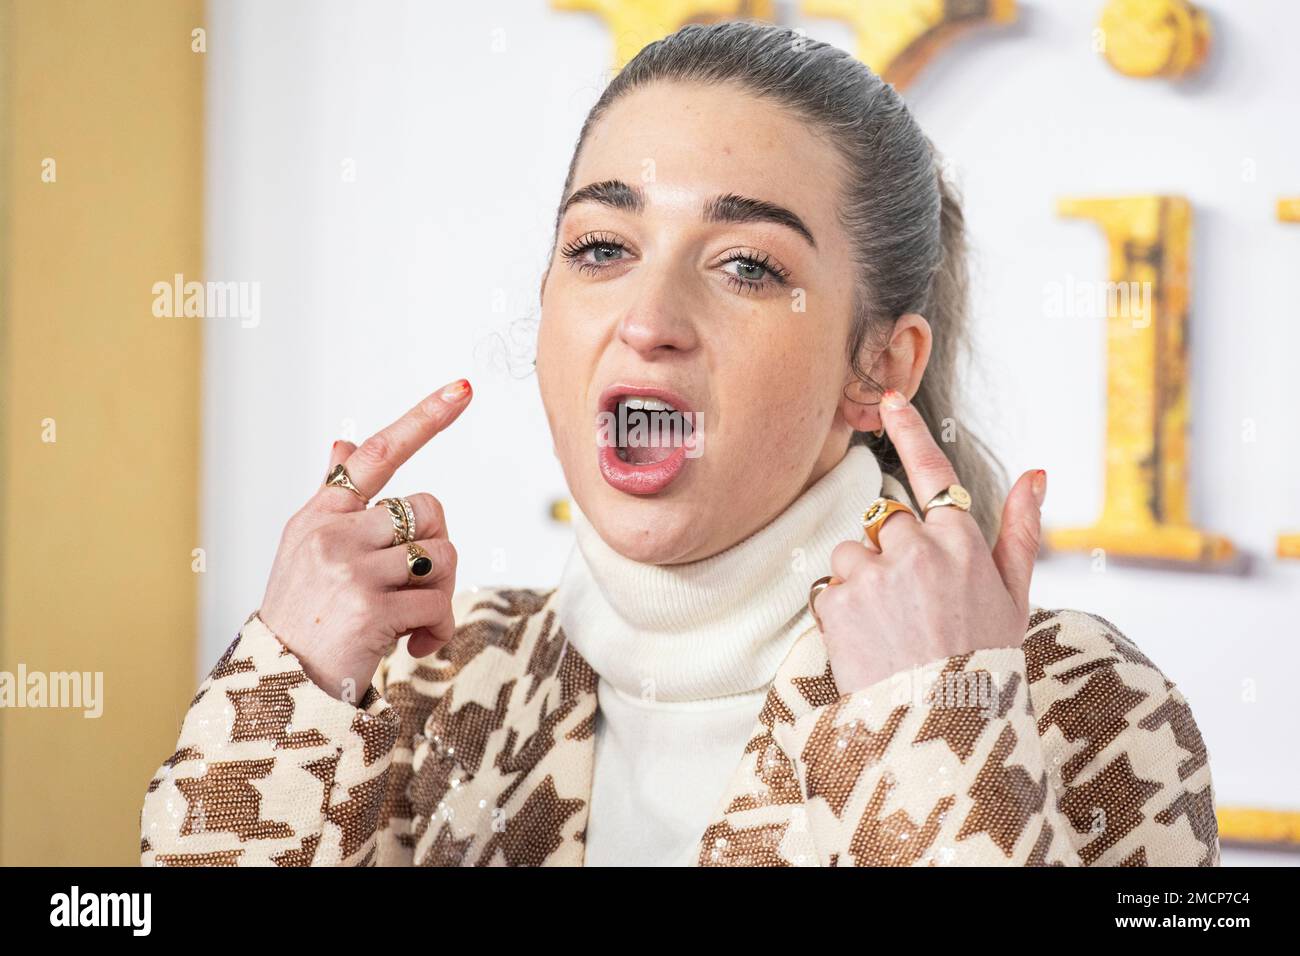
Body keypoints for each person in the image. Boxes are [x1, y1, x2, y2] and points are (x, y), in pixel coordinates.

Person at [140, 20, 1218, 867]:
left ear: (878, 368)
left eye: (747, 264)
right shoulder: (434, 686)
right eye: (602, 245)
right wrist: (288, 687)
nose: (647, 315)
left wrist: (932, 726)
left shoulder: (1070, 697)